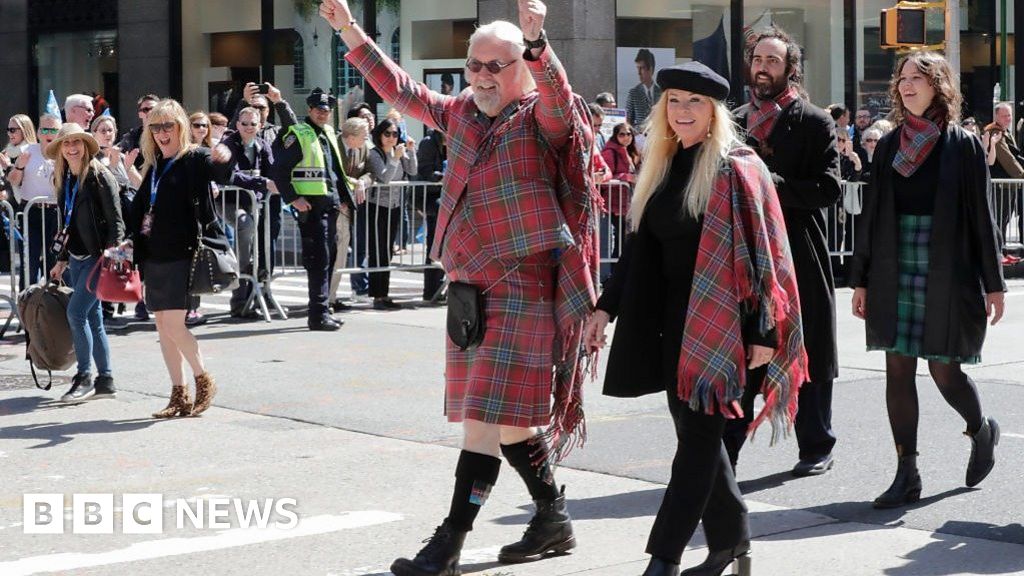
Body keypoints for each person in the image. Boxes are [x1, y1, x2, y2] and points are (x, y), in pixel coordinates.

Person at [324, 1, 600, 574]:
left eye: (496, 66)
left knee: (482, 418)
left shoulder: (543, 120)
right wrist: (348, 29)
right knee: (509, 421)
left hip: (522, 286)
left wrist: (538, 42)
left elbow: (557, 98)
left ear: (520, 66)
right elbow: (401, 91)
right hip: (468, 288)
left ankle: (449, 541)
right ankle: (552, 515)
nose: (481, 76)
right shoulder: (463, 114)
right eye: (475, 65)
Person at [584, 62, 805, 576]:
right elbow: (640, 253)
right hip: (671, 330)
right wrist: (604, 307)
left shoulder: (736, 167)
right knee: (697, 443)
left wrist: (766, 332)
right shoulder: (660, 166)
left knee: (698, 447)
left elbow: (767, 258)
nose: (684, 112)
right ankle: (733, 542)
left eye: (696, 102)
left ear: (715, 111)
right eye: (675, 101)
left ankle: (663, 558)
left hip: (727, 329)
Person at [849, 51, 1006, 508]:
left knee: (944, 369)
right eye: (902, 79)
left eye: (917, 78)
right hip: (892, 265)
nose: (906, 85)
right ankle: (907, 472)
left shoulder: (962, 144)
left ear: (939, 86)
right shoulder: (891, 144)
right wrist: (860, 280)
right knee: (897, 368)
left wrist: (994, 284)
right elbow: (873, 216)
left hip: (946, 269)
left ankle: (981, 430)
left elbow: (982, 217)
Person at [727, 26, 842, 477]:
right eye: (758, 59)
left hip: (799, 249)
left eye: (773, 60)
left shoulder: (814, 120)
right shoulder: (733, 119)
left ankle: (817, 444)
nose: (763, 67)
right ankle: (727, 449)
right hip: (746, 254)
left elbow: (829, 187)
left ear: (790, 68)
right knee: (746, 349)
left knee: (808, 344)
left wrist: (771, 186)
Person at [127, 99, 234, 418]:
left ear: (181, 128)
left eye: (168, 126)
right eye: (155, 127)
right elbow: (139, 209)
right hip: (155, 255)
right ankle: (178, 395)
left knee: (174, 324)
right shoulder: (156, 165)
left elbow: (219, 171)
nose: (162, 133)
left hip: (183, 254)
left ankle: (204, 380)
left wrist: (223, 157)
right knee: (162, 327)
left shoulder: (195, 158)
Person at [45, 123, 125, 402]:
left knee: (76, 314)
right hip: (77, 258)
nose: (71, 148)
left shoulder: (99, 175)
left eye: (76, 142)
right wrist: (62, 259)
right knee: (93, 318)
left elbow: (116, 221)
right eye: (66, 144)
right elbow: (69, 225)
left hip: (98, 257)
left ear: (85, 145)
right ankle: (106, 380)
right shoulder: (65, 177)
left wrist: (112, 259)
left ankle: (84, 376)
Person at [271, 88, 356, 331]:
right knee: (318, 260)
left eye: (326, 110)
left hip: (329, 204)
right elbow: (279, 171)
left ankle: (324, 309)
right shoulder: (299, 134)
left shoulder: (328, 132)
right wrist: (293, 199)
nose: (322, 114)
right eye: (318, 110)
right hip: (311, 206)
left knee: (327, 258)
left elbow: (334, 171)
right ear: (309, 110)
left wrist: (342, 197)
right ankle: (317, 315)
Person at [221, 106, 277, 318]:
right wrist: (262, 182)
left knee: (262, 243)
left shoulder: (263, 145)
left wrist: (276, 184)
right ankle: (239, 300)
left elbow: (273, 171)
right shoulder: (228, 144)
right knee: (243, 225)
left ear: (260, 126)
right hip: (229, 202)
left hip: (256, 203)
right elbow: (230, 176)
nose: (248, 127)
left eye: (253, 124)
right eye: (244, 123)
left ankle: (257, 293)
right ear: (237, 125)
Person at [364, 117, 417, 310]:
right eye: (387, 134)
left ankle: (383, 293)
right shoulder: (375, 154)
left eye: (395, 134)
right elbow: (385, 177)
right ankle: (377, 295)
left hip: (394, 205)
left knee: (387, 250)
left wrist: (410, 150)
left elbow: (412, 170)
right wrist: (394, 158)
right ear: (379, 135)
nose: (391, 138)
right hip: (378, 207)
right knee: (377, 250)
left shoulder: (398, 151)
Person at [7, 114, 62, 287]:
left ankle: (55, 304)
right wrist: (19, 165)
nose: (48, 133)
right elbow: (14, 180)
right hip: (31, 212)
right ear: (38, 133)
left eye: (53, 129)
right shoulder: (28, 151)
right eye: (44, 129)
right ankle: (27, 305)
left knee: (54, 260)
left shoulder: (64, 151)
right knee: (29, 261)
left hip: (55, 213)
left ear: (59, 132)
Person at [328, 117, 372, 312]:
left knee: (341, 255)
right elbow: (330, 175)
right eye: (363, 135)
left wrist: (362, 181)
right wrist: (351, 186)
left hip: (349, 210)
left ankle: (331, 297)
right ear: (351, 136)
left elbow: (370, 172)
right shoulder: (332, 146)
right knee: (331, 254)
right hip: (333, 207)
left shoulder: (363, 148)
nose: (367, 138)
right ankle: (325, 298)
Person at [983, 102, 1024, 262]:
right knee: (999, 220)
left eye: (1010, 115)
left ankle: (1002, 251)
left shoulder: (1005, 132)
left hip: (1007, 185)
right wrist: (1022, 175)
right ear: (996, 116)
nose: (1008, 118)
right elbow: (1007, 160)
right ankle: (997, 253)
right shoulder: (994, 131)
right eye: (1005, 115)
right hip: (1000, 186)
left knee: (1005, 220)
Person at [415, 127, 447, 301]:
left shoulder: (456, 142)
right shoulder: (428, 143)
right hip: (430, 196)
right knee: (434, 243)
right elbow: (424, 170)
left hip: (444, 196)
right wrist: (441, 177)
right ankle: (430, 289)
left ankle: (439, 286)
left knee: (443, 245)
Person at [626, 49, 660, 127]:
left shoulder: (661, 92)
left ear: (650, 69)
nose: (639, 73)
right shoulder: (633, 93)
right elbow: (627, 120)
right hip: (639, 136)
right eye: (637, 68)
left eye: (642, 68)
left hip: (658, 135)